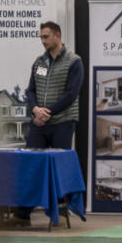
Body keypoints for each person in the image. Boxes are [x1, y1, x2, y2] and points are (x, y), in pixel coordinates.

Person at [25, 21, 84, 149]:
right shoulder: (39, 61)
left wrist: (47, 112)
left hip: (63, 122)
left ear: (57, 35)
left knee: (59, 159)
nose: (43, 41)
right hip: (39, 122)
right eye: (41, 37)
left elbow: (71, 94)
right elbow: (30, 90)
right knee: (32, 157)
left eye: (46, 37)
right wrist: (35, 110)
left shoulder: (74, 61)